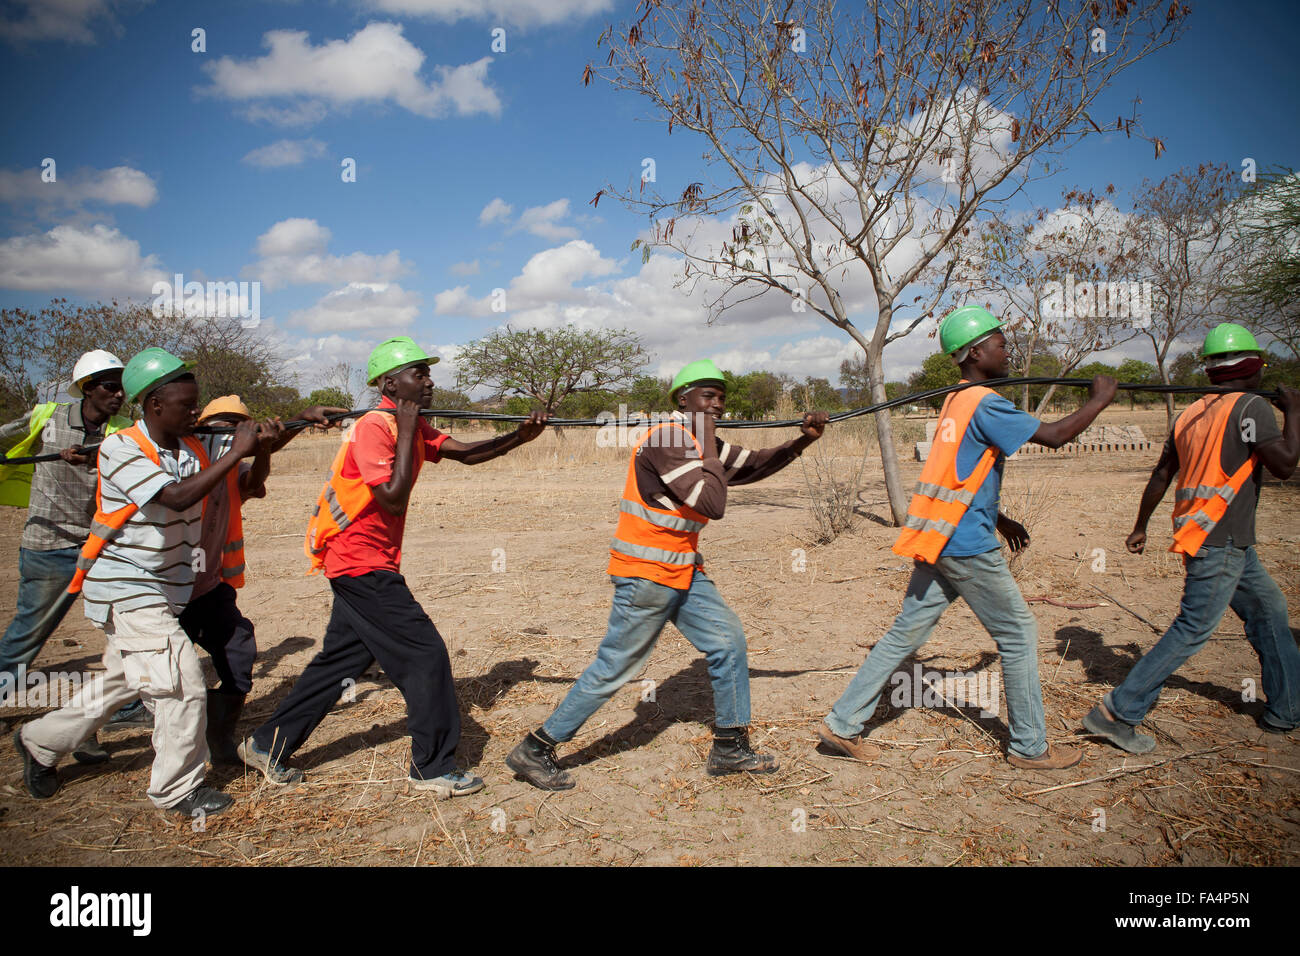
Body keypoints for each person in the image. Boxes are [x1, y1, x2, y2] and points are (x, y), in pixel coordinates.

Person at [239, 336, 549, 798]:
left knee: (342, 660)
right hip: (360, 562)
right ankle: (432, 767)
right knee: (425, 655)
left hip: (365, 560)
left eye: (427, 373)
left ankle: (267, 744)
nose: (428, 381)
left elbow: (464, 452)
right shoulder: (374, 428)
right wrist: (406, 428)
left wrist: (516, 439)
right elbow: (392, 495)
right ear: (390, 383)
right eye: (418, 374)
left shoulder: (405, 424)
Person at [506, 358, 829, 791]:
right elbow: (712, 503)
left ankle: (730, 747)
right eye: (708, 397)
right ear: (683, 399)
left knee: (728, 642)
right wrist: (711, 444)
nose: (718, 405)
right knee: (616, 666)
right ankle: (536, 747)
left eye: (721, 398)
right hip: (646, 575)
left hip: (682, 571)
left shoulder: (698, 439)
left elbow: (752, 465)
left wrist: (800, 442)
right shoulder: (670, 440)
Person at [819, 305, 1118, 770]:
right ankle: (1029, 747)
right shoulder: (986, 402)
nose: (1008, 351)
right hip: (965, 545)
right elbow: (1057, 435)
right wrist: (1099, 398)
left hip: (939, 537)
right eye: (1001, 344)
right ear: (976, 352)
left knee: (903, 636)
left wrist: (1001, 518)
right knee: (1019, 633)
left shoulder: (956, 401)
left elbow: (961, 474)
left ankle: (842, 723)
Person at [13, 348, 260, 817]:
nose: (196, 412)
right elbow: (172, 496)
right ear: (153, 406)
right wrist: (239, 452)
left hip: (167, 588)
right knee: (181, 680)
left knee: (120, 683)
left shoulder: (191, 444)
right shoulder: (121, 447)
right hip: (126, 584)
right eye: (187, 405)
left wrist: (295, 424)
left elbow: (240, 448)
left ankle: (40, 741)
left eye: (197, 403)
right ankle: (177, 790)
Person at [1084, 323, 1300, 752]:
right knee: (1193, 629)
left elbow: (1162, 473)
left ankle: (1287, 709)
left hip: (1212, 538)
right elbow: (1286, 465)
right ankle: (1116, 712)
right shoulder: (1250, 407)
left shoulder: (1192, 413)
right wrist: (1294, 410)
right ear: (1253, 364)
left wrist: (1141, 524)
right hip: (1219, 540)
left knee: (1270, 612)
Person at [182, 395, 345, 765]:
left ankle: (219, 738)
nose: (229, 435)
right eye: (221, 426)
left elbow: (254, 480)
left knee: (239, 651)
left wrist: (276, 440)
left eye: (237, 426)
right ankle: (55, 737)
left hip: (209, 585)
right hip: (166, 584)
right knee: (145, 677)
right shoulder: (182, 458)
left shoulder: (232, 466)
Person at [0, 350, 142, 760]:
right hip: (49, 545)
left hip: (102, 546)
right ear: (86, 388)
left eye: (122, 387)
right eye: (109, 386)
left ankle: (124, 707)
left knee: (128, 629)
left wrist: (100, 457)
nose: (118, 394)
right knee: (29, 632)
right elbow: (5, 436)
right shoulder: (48, 417)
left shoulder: (122, 430)